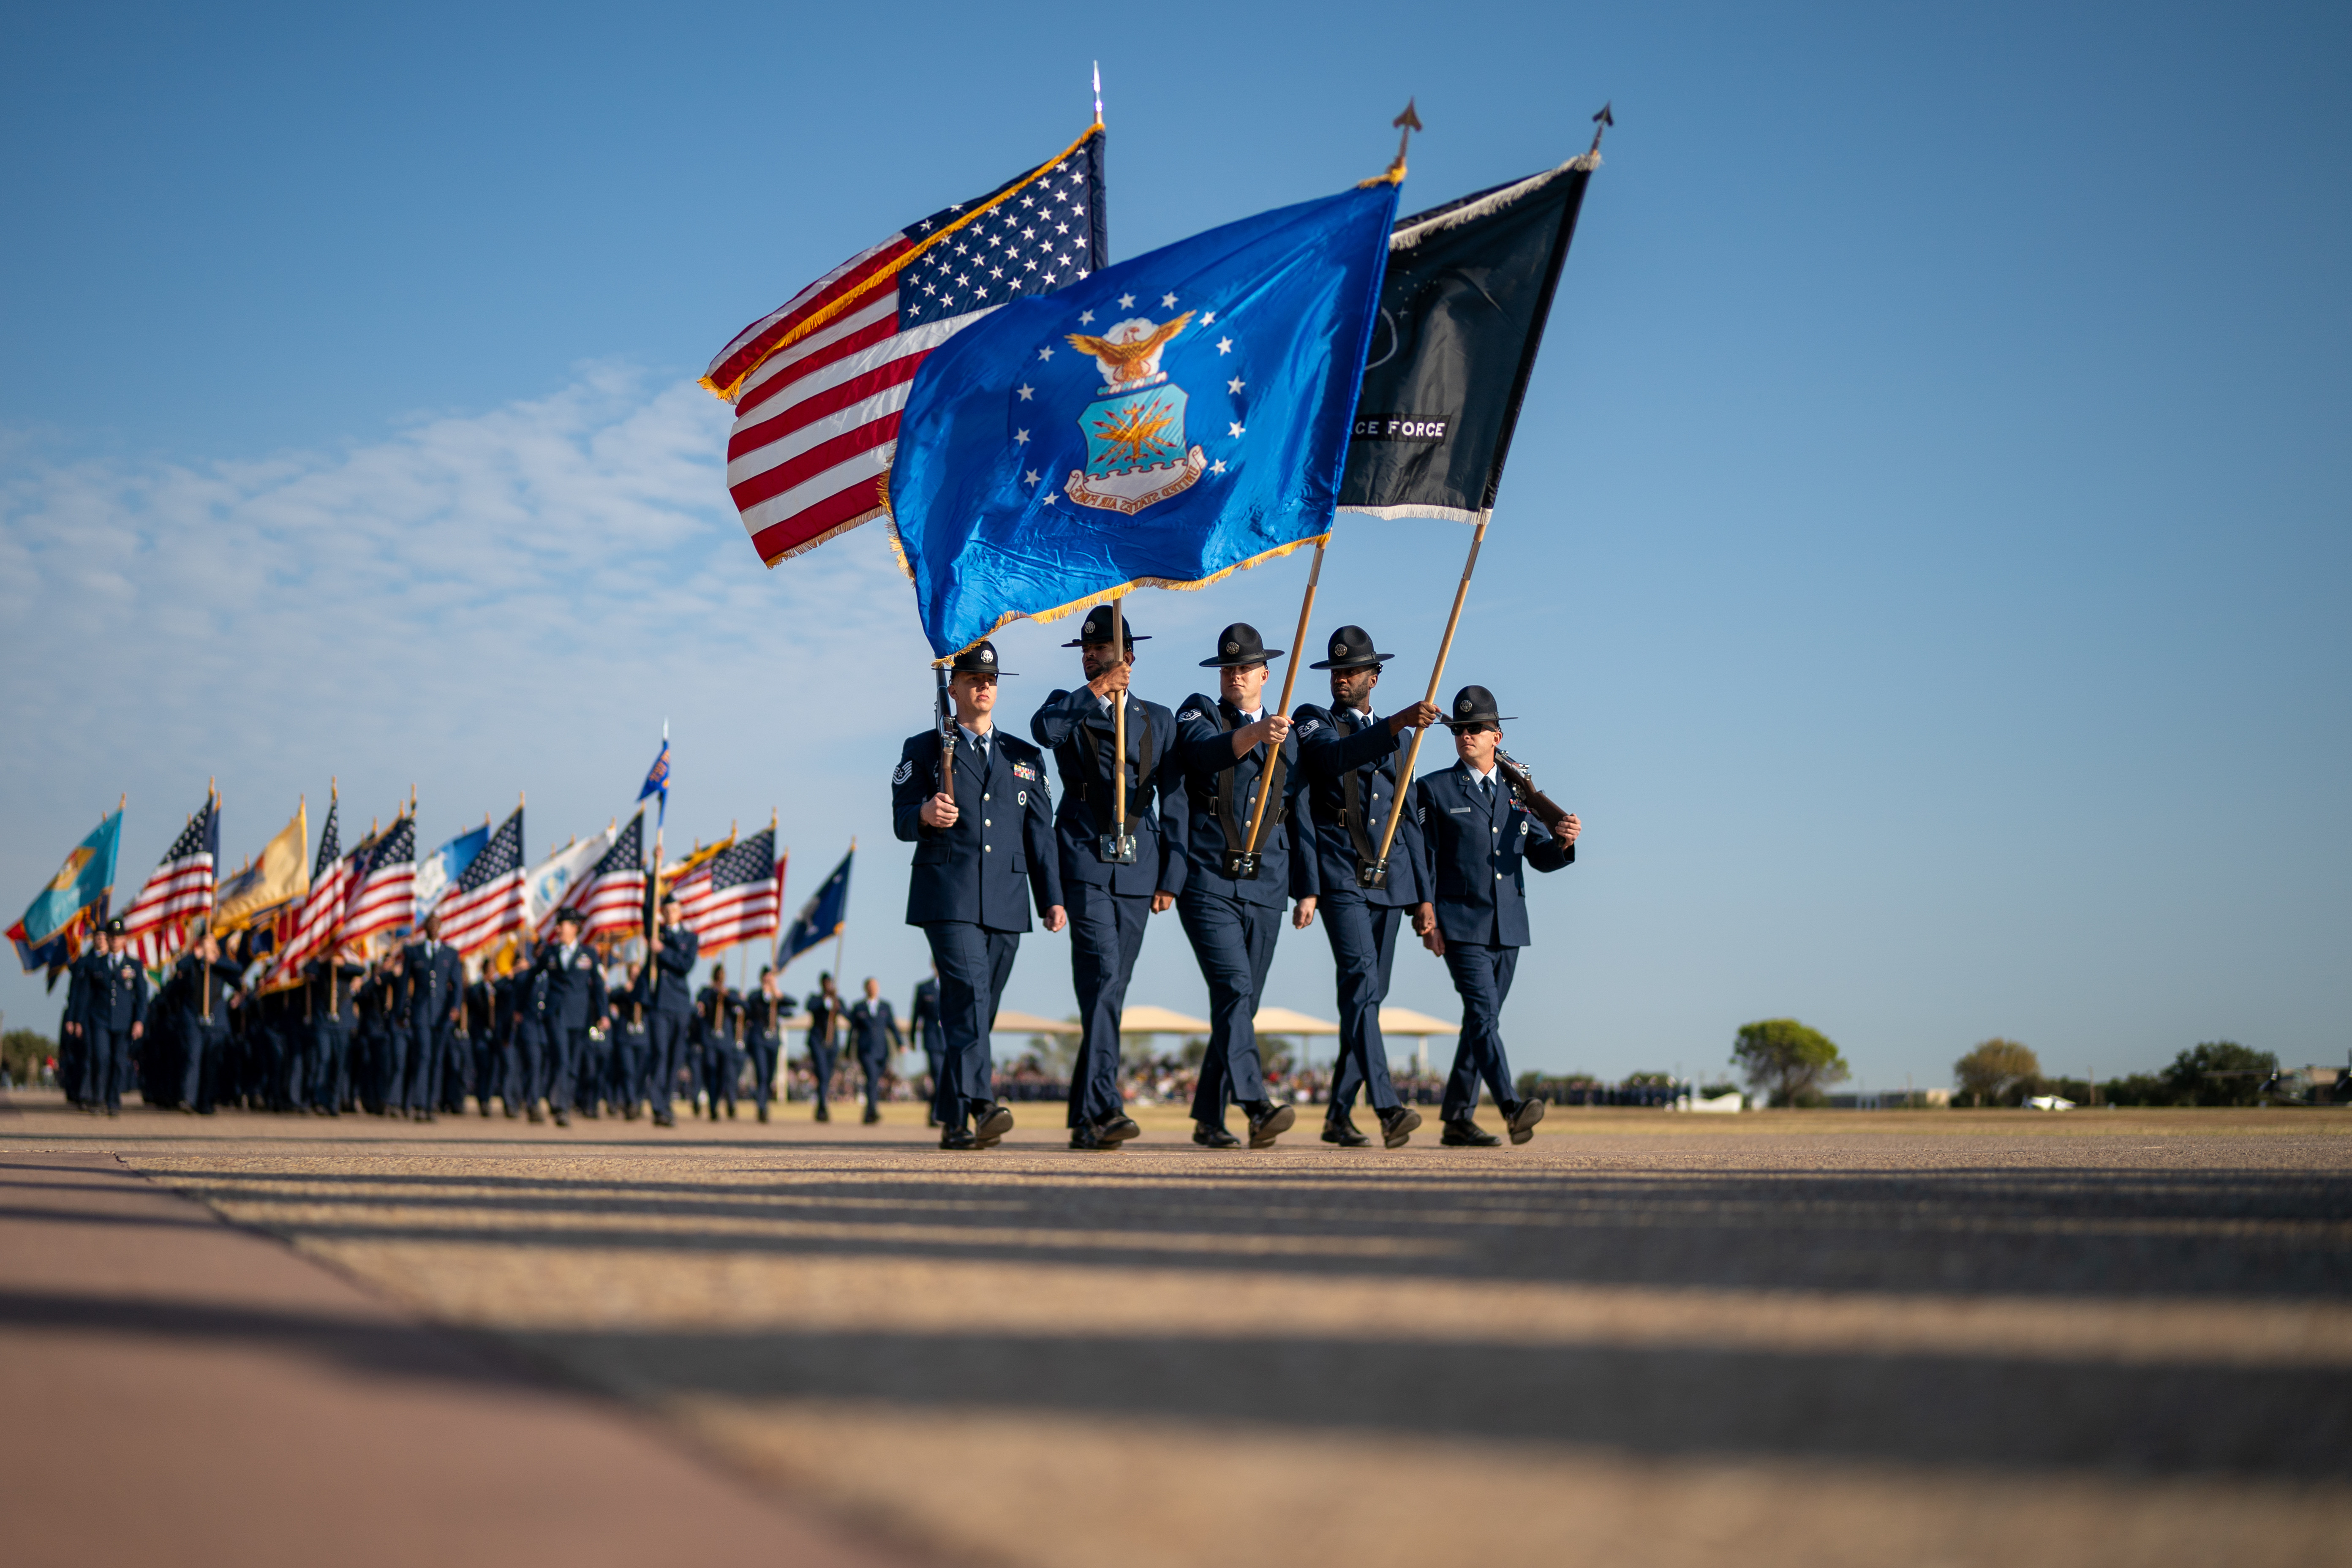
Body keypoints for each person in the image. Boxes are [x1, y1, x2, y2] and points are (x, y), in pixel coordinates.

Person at [890, 639, 1066, 1150]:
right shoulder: (924, 748)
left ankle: (953, 1117)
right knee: (969, 994)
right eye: (973, 680)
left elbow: (1041, 834)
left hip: (1008, 900)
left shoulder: (1025, 756)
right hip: (949, 894)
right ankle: (983, 1104)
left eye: (991, 680)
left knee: (978, 1011)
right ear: (955, 687)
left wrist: (1050, 897)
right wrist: (924, 814)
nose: (984, 686)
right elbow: (901, 817)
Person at [1029, 604, 1184, 1152]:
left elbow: (1176, 800)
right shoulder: (1066, 707)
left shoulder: (1159, 720)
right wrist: (1095, 691)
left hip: (1140, 869)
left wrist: (1173, 874)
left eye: (1103, 650)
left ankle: (1082, 1117)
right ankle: (1105, 1105)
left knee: (1107, 989)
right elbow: (1045, 731)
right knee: (1105, 977)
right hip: (1085, 863)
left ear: (1130, 658)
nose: (1093, 657)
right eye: (1087, 651)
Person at [1411, 686, 1582, 1146]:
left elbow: (1538, 855)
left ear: (1496, 736)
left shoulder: (1517, 790)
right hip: (1459, 922)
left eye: (1475, 729)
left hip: (1509, 924)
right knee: (1485, 1017)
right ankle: (1510, 1105)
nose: (1465, 735)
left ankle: (1457, 1118)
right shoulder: (1434, 788)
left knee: (1478, 1022)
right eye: (1458, 729)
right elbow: (1423, 858)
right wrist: (1424, 912)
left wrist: (1563, 841)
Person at [1292, 625, 1440, 1149]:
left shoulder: (1403, 740)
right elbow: (1333, 760)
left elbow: (1410, 822)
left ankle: (1337, 1114)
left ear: (1373, 677)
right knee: (1360, 982)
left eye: (1351, 671)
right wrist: (1398, 722)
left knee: (1369, 998)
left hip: (1392, 879)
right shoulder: (1315, 720)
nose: (1341, 679)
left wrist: (1425, 898)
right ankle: (1387, 1106)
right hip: (1340, 872)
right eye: (1336, 671)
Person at [1170, 623, 1317, 1149]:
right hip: (1208, 879)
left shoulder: (1291, 737)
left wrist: (1308, 887)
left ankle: (1209, 1117)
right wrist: (1255, 735)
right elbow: (1199, 755)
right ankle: (1256, 1104)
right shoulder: (1199, 711)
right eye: (1227, 668)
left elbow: (1299, 815)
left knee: (1242, 1003)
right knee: (1233, 988)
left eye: (1244, 668)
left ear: (1264, 674)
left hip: (1269, 884)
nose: (1235, 676)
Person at [534, 906, 607, 1127]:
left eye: (562, 924)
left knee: (573, 1063)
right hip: (555, 1013)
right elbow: (533, 977)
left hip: (580, 1016)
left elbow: (599, 987)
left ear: (574, 928)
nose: (557, 929)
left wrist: (603, 1015)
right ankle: (561, 1106)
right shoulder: (549, 953)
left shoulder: (589, 954)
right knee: (563, 1058)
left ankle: (562, 1099)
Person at [73, 919, 147, 1117]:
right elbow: (84, 995)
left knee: (118, 1061)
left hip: (124, 1022)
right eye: (112, 937)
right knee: (101, 1058)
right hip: (100, 1020)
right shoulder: (95, 964)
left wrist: (140, 1021)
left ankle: (113, 1101)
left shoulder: (135, 965)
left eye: (118, 937)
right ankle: (98, 1099)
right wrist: (78, 1019)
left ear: (124, 939)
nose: (115, 941)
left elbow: (142, 997)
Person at [173, 928, 240, 1115]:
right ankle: (188, 1099)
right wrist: (197, 954)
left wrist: (216, 960)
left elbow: (238, 971)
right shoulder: (192, 963)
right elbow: (179, 966)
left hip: (216, 1021)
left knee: (212, 1062)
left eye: (211, 942)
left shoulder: (220, 965)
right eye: (205, 941)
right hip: (194, 1019)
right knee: (193, 1058)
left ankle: (207, 1101)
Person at [644, 893, 698, 1127]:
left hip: (680, 1004)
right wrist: (651, 877)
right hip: (659, 1004)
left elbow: (685, 965)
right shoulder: (657, 932)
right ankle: (657, 1105)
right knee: (661, 1052)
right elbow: (646, 912)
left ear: (680, 912)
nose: (669, 914)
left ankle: (666, 1104)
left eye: (673, 910)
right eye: (665, 911)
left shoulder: (689, 938)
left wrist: (662, 951)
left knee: (675, 1057)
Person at [403, 916, 463, 1122]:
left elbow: (457, 985)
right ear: (425, 928)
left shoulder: (450, 953)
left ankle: (431, 1104)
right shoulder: (414, 951)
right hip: (421, 1012)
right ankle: (419, 1104)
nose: (433, 928)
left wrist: (455, 1008)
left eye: (437, 925)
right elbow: (404, 985)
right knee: (424, 1057)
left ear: (441, 928)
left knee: (437, 1059)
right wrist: (402, 1010)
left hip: (442, 1014)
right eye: (430, 925)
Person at [302, 941, 365, 1118]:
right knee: (324, 1059)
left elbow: (361, 970)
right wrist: (324, 958)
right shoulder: (322, 966)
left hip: (343, 1023)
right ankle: (319, 1101)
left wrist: (343, 964)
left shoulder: (347, 967)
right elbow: (308, 969)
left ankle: (334, 1102)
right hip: (324, 1021)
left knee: (340, 1062)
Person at [847, 977, 904, 1125]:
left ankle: (868, 1113)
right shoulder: (858, 1007)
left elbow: (892, 1026)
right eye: (870, 986)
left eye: (875, 986)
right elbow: (852, 1031)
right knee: (872, 1078)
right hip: (865, 1050)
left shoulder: (886, 1007)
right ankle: (873, 1111)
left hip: (882, 1051)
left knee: (874, 1081)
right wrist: (848, 1050)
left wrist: (900, 1044)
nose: (873, 989)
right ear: (866, 989)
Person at [697, 963, 743, 1120]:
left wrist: (727, 995)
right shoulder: (707, 992)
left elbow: (743, 1004)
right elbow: (700, 999)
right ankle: (713, 1105)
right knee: (711, 1069)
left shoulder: (730, 993)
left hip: (725, 1040)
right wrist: (714, 992)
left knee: (724, 1073)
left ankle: (719, 1102)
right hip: (710, 1038)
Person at [744, 966, 785, 1123]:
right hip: (759, 1039)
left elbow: (792, 1004)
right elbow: (750, 1005)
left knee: (769, 1075)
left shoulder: (777, 997)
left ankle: (764, 1103)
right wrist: (765, 993)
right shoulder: (755, 996)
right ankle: (762, 1107)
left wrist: (776, 992)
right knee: (761, 1073)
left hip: (773, 1041)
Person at [802, 972, 845, 1122]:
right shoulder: (815, 998)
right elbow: (810, 1007)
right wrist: (824, 1000)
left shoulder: (836, 1000)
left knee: (827, 1076)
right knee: (822, 1072)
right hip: (818, 1041)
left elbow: (847, 1014)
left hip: (832, 1042)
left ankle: (822, 1106)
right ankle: (822, 1107)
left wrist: (836, 1003)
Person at [909, 966, 945, 1125]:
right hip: (932, 1039)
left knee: (947, 1078)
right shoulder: (924, 988)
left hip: (950, 1039)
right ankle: (937, 1114)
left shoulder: (953, 985)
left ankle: (936, 1112)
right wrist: (912, 1037)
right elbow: (916, 1014)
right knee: (938, 1077)